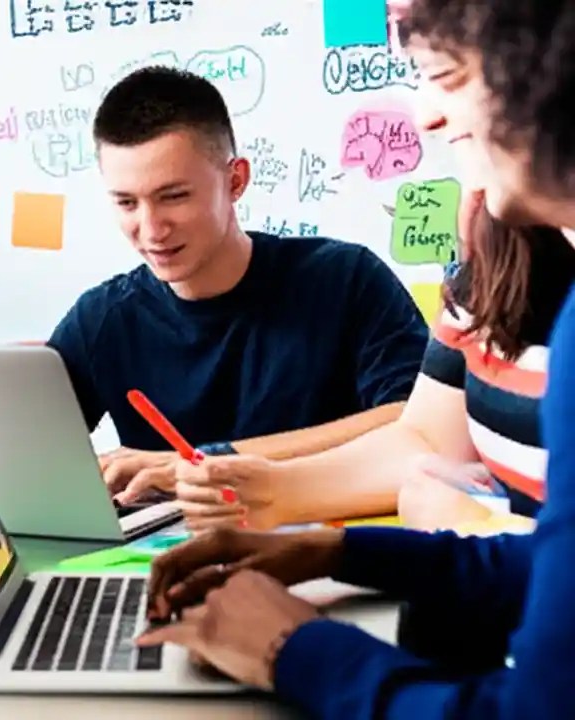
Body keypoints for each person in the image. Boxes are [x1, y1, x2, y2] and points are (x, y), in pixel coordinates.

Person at [137, 2, 575, 717]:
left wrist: (294, 650)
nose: (427, 116)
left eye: (444, 72)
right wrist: (341, 550)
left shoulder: (341, 277)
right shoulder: (499, 261)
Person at [52, 67, 429, 507]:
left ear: (235, 181)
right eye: (126, 203)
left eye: (174, 196)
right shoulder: (102, 319)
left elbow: (412, 422)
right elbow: (27, 457)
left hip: (322, 548)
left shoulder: (346, 279)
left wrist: (202, 464)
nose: (151, 229)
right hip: (170, 559)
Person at [170, 193, 575, 532]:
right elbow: (428, 439)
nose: (428, 117)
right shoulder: (489, 275)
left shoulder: (344, 275)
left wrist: (475, 525)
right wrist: (274, 489)